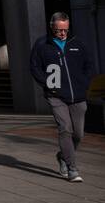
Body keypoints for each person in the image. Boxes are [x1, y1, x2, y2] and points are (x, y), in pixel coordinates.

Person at [30, 12, 97, 182]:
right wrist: (48, 84)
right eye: (59, 30)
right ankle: (72, 168)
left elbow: (89, 65)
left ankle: (62, 156)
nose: (62, 33)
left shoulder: (77, 43)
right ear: (52, 27)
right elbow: (35, 67)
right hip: (56, 95)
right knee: (65, 128)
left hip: (78, 95)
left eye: (65, 30)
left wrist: (84, 82)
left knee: (79, 134)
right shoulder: (42, 44)